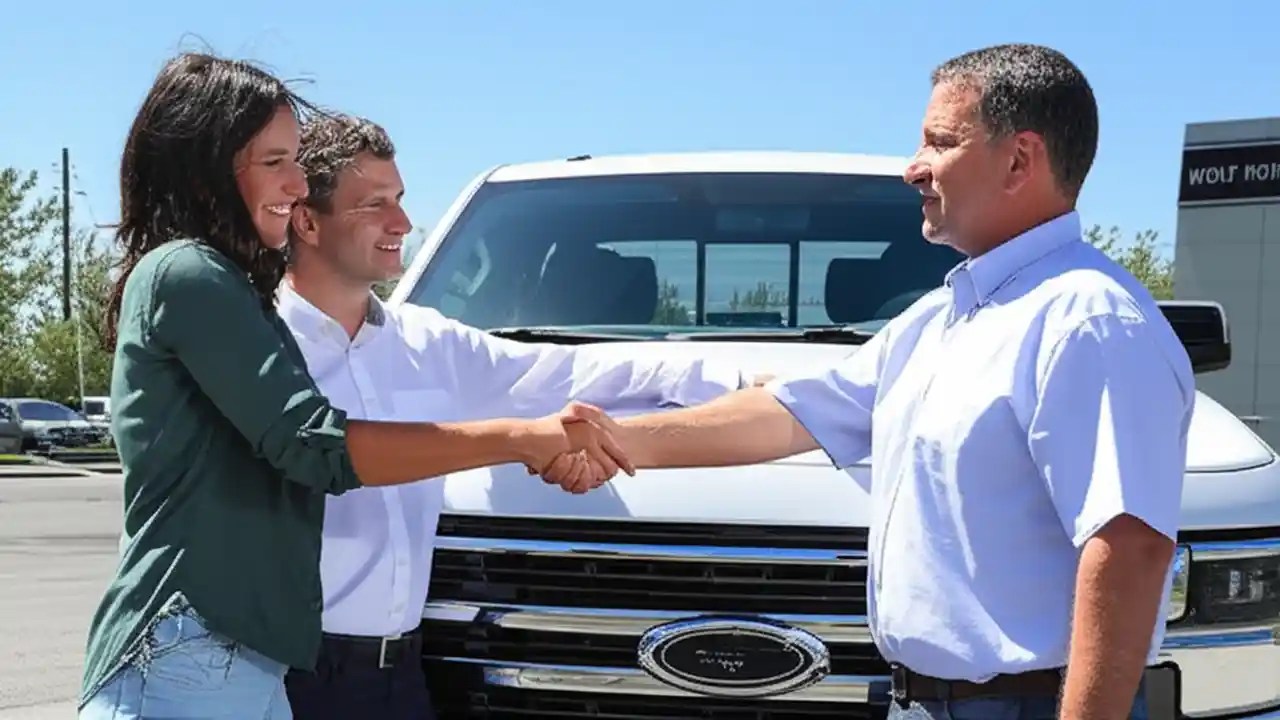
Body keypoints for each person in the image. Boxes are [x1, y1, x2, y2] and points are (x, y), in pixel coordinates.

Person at [544, 43, 1192, 720]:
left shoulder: (1088, 320)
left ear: (1020, 160)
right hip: (920, 702)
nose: (913, 168)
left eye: (938, 143)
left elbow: (1130, 546)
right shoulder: (941, 319)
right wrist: (617, 439)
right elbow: (788, 416)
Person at [77, 53, 625, 720]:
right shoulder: (189, 274)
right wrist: (517, 439)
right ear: (210, 165)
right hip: (186, 657)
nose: (297, 181)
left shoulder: (228, 289)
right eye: (275, 160)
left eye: (297, 160)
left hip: (240, 662)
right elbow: (317, 446)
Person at [275, 112, 753, 719]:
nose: (402, 222)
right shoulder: (254, 346)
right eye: (374, 206)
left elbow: (566, 373)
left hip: (402, 673)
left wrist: (740, 381)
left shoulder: (430, 343)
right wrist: (522, 440)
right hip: (279, 674)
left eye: (399, 199)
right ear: (307, 221)